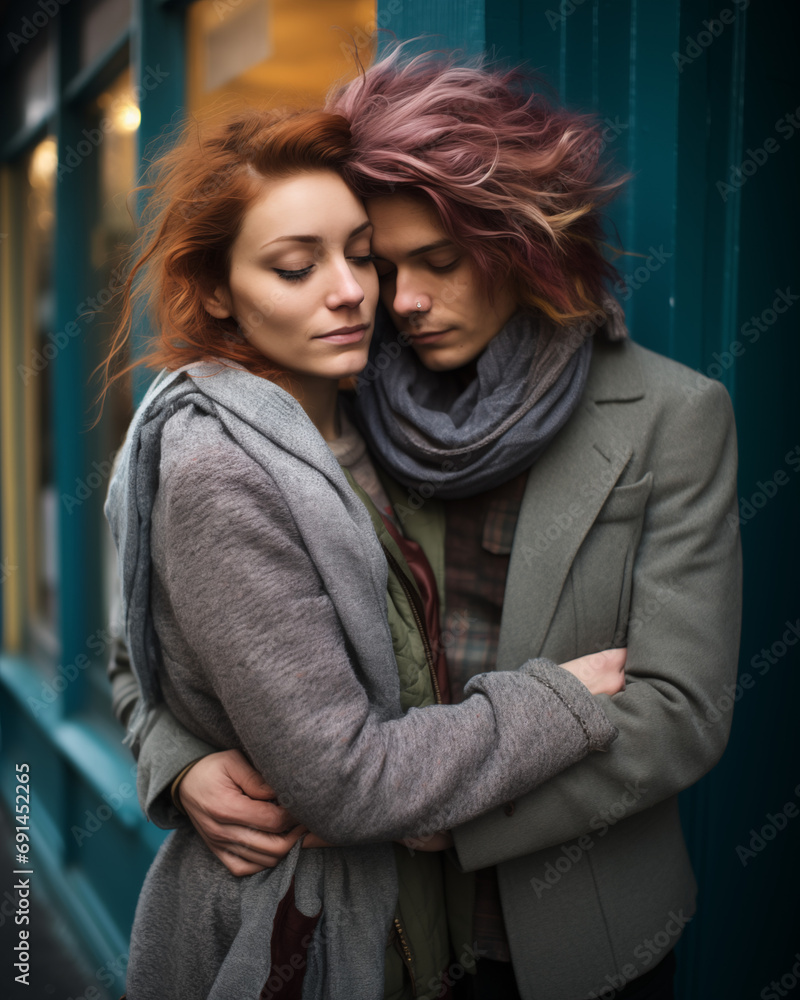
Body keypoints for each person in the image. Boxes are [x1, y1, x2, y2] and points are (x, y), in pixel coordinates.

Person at [112, 51, 742, 999]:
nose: (393, 300)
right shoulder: (337, 392)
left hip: (578, 936)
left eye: (437, 264)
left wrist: (442, 816)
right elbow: (150, 639)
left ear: (520, 239)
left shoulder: (669, 415)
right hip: (381, 941)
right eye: (382, 260)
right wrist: (182, 759)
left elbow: (681, 709)